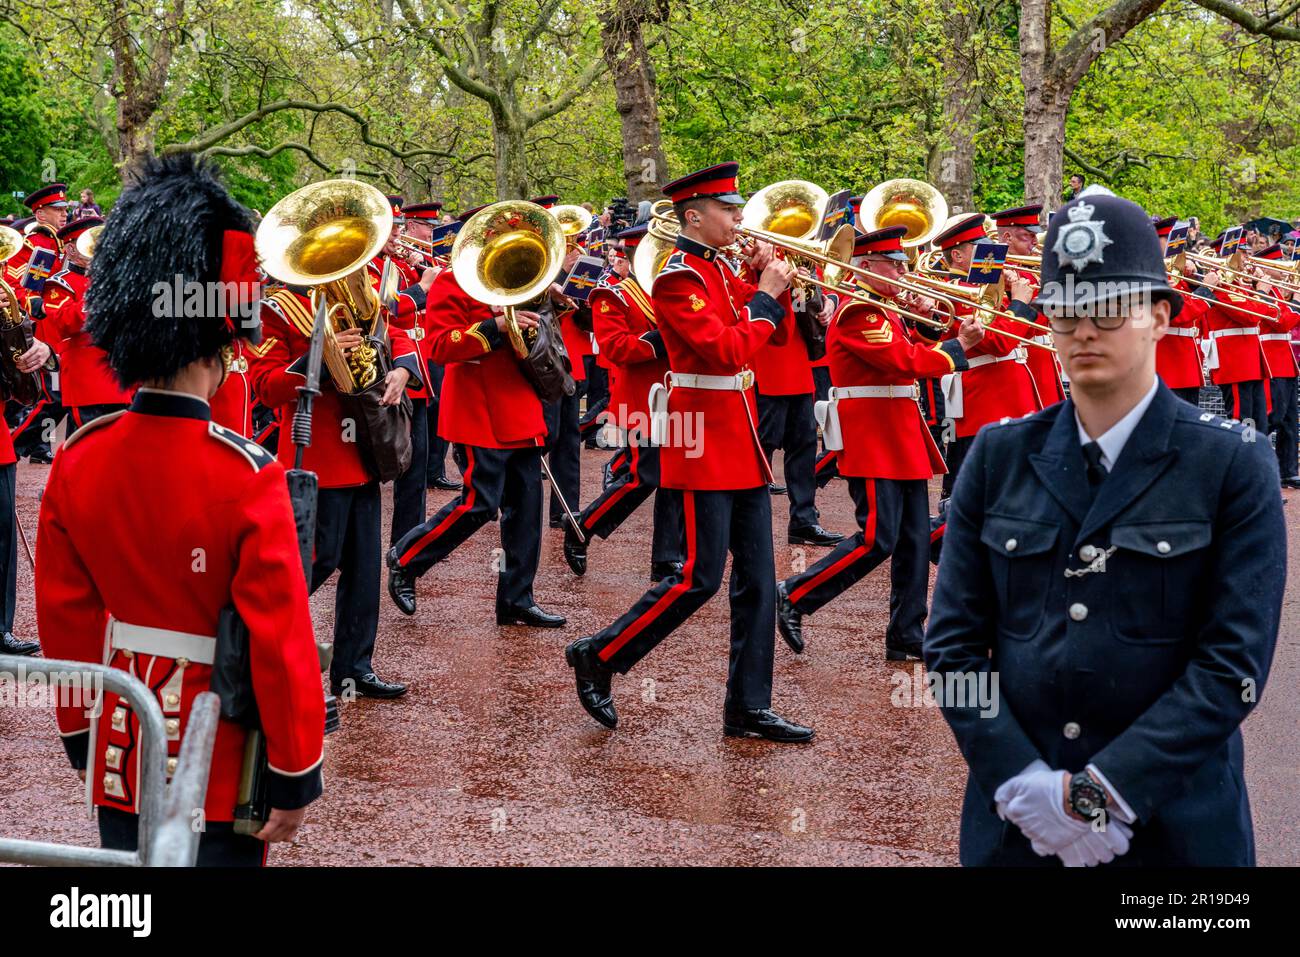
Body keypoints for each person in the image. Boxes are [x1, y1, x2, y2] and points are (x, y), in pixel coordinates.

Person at [926, 190, 1285, 866]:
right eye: (1066, 311)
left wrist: (1105, 793)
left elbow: (1231, 666)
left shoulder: (1233, 462)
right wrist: (1020, 779)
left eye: (1107, 309)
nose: (1083, 330)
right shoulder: (998, 457)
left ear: (1157, 316)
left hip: (1175, 833)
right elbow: (953, 649)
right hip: (1018, 829)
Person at [37, 154, 325, 866]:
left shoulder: (80, 457)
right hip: (221, 757)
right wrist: (295, 769)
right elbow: (280, 640)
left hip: (120, 747)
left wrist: (82, 729)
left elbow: (67, 620)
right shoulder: (247, 473)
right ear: (221, 344)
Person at [563, 162, 813, 742]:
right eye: (729, 210)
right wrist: (767, 298)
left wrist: (765, 287)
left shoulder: (722, 272)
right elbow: (725, 351)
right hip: (701, 436)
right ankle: (601, 655)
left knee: (756, 579)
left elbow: (767, 340)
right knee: (697, 578)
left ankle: (748, 707)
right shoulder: (677, 279)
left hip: (740, 435)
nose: (739, 219)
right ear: (694, 216)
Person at [776, 226, 983, 660]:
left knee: (912, 541)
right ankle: (795, 593)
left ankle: (907, 634)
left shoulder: (881, 307)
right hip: (873, 431)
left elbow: (912, 348)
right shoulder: (860, 312)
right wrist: (958, 345)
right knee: (878, 537)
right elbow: (902, 362)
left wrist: (926, 320)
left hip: (899, 429)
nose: (903, 273)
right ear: (866, 267)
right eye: (894, 265)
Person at [251, 229, 422, 700]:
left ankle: (353, 670)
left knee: (364, 570)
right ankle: (256, 640)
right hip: (319, 453)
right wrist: (322, 358)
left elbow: (399, 329)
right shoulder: (276, 306)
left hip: (364, 449)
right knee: (314, 561)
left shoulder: (362, 286)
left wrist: (402, 369)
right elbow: (266, 385)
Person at [385, 205, 566, 629]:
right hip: (479, 409)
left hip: (521, 404)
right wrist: (494, 328)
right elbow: (441, 346)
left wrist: (554, 307)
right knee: (479, 504)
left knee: (526, 507)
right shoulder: (453, 280)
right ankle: (407, 559)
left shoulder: (521, 277)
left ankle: (517, 599)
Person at [562, 223, 683, 582]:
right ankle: (583, 527)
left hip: (678, 394)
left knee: (675, 478)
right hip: (640, 399)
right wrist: (662, 339)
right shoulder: (612, 295)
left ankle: (667, 557)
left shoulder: (673, 290)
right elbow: (616, 348)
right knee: (643, 477)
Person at [992, 204, 1063, 405]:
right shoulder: (998, 271)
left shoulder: (1030, 267)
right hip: (1025, 359)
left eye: (1035, 235)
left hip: (1044, 360)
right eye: (1028, 235)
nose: (1035, 241)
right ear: (1007, 238)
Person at [1151, 215, 1210, 406]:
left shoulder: (1177, 275)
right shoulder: (1152, 274)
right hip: (1168, 364)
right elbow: (1177, 313)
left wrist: (1195, 282)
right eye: (1169, 241)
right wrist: (1206, 291)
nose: (1175, 247)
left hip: (1187, 364)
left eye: (1178, 242)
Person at [1255, 244, 1300, 487]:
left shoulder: (1279, 291)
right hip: (1271, 358)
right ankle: (1256, 461)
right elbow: (1281, 322)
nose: (1283, 269)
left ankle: (1288, 469)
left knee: (1290, 420)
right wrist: (1295, 301)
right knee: (1273, 416)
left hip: (1286, 359)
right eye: (1277, 265)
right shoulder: (1261, 290)